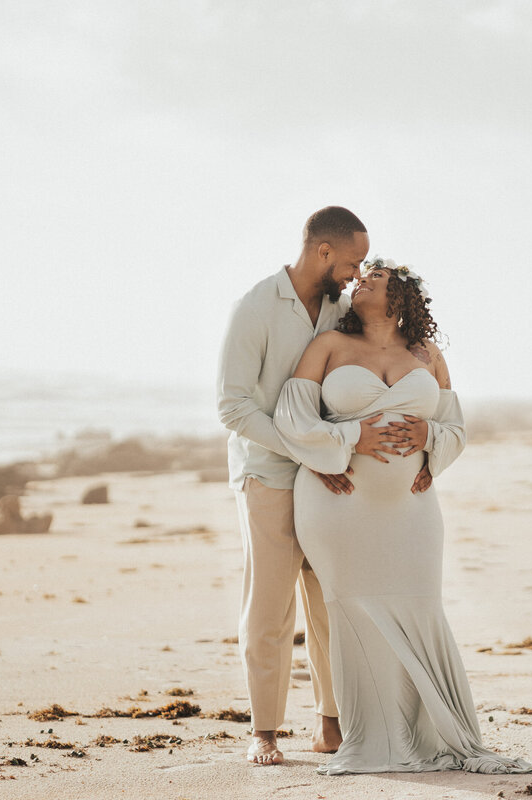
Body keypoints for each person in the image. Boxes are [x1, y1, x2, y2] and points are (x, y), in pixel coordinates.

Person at [272, 258, 532, 774]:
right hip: (339, 504)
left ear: (400, 297)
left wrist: (430, 440)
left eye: (372, 278)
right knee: (356, 612)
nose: (359, 282)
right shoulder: (328, 346)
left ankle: (431, 733)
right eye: (359, 277)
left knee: (421, 605)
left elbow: (455, 428)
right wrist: (346, 439)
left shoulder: (428, 355)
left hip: (412, 508)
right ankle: (372, 736)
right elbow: (293, 416)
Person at [217, 207, 404, 766]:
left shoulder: (341, 311)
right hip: (269, 475)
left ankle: (332, 724)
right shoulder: (254, 307)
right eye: (352, 261)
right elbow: (233, 406)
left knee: (329, 603)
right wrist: (312, 451)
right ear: (323, 252)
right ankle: (265, 732)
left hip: (331, 481)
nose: (356, 272)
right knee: (270, 606)